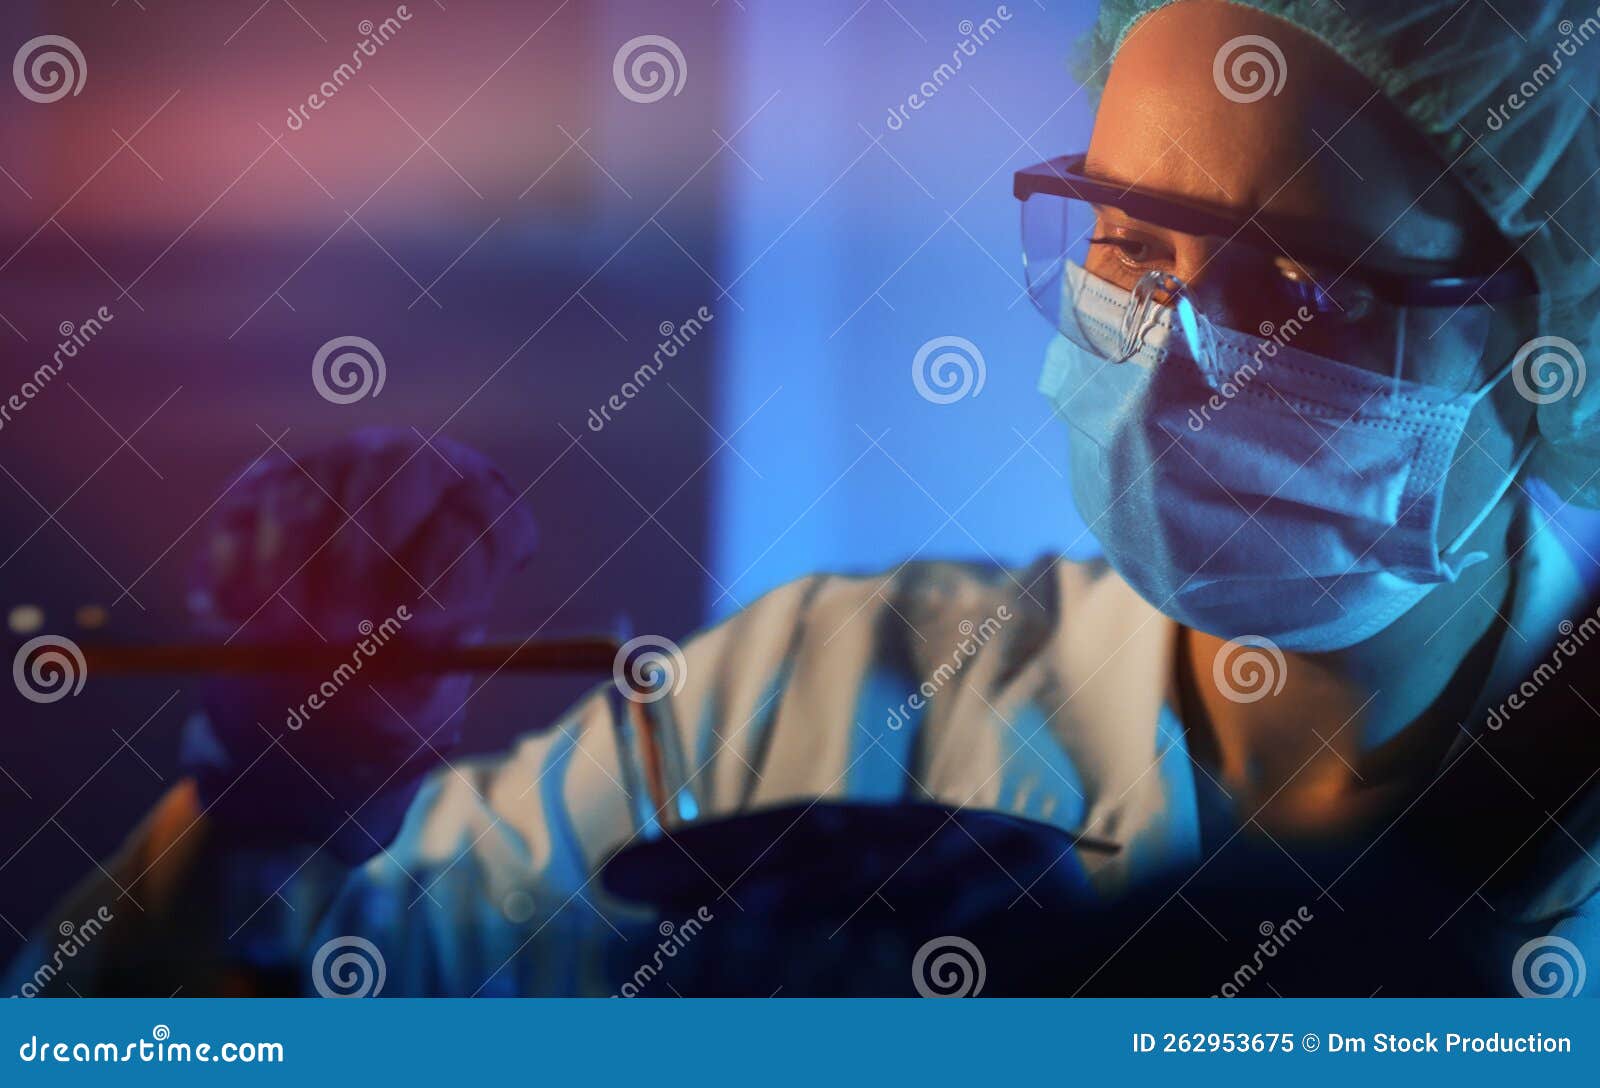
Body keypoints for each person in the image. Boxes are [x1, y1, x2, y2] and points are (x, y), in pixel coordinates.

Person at [9, 0, 1600, 996]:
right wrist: (254, 815)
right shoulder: (816, 701)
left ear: (1551, 347)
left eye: (1302, 291)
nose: (1179, 366)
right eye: (1127, 242)